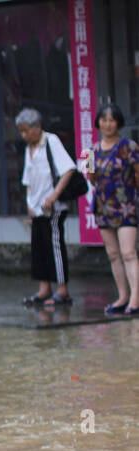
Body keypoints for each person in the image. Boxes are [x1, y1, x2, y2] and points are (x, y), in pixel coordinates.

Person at [16, 108, 77, 308]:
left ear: (37, 127)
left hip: (53, 207)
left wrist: (54, 195)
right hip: (37, 208)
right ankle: (44, 289)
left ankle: (62, 290)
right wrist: (29, 203)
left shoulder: (51, 141)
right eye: (21, 131)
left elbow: (68, 169)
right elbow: (28, 180)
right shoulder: (29, 149)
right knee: (39, 248)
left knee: (55, 247)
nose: (24, 135)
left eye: (26, 130)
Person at [83, 103, 139, 316]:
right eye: (103, 120)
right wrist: (91, 169)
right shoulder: (92, 150)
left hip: (126, 207)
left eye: (111, 120)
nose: (107, 124)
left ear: (118, 122)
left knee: (129, 252)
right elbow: (92, 180)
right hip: (103, 207)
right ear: (98, 122)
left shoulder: (129, 147)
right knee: (113, 254)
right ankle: (122, 297)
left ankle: (135, 299)